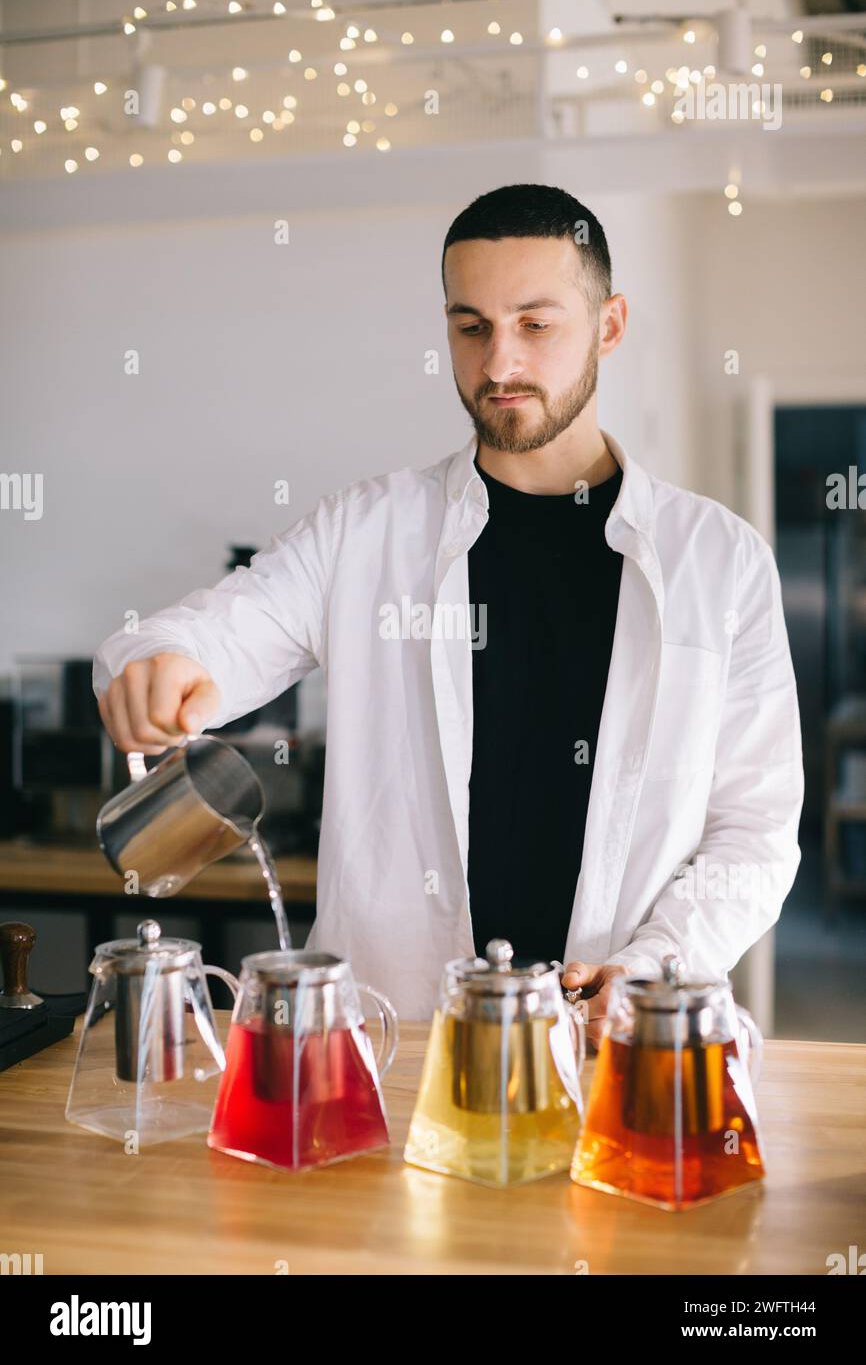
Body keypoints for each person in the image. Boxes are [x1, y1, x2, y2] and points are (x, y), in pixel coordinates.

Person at [93, 183, 804, 1042]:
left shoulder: (719, 560)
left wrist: (656, 963)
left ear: (609, 326)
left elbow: (754, 831)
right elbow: (201, 637)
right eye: (472, 328)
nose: (499, 365)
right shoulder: (366, 532)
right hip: (393, 1055)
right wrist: (154, 665)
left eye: (536, 325)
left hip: (623, 1045)